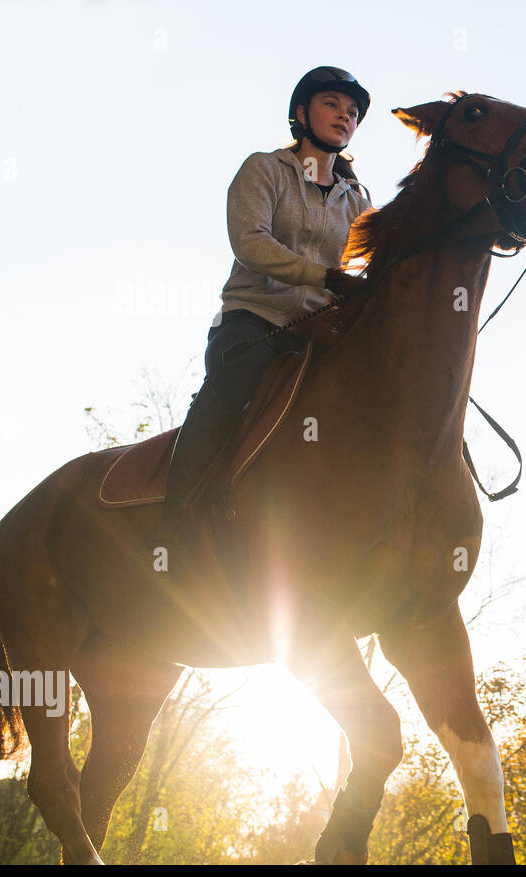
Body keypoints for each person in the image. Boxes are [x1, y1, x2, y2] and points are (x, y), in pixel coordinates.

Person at [156, 66, 373, 565]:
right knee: (230, 392)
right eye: (332, 104)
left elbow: (367, 268)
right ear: (301, 114)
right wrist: (320, 277)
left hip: (319, 334)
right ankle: (175, 528)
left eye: (353, 112)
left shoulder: (359, 199)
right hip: (255, 321)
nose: (345, 115)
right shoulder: (265, 169)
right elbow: (251, 242)